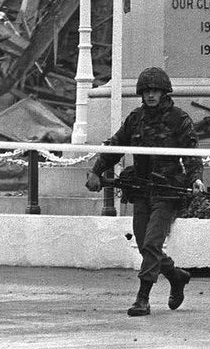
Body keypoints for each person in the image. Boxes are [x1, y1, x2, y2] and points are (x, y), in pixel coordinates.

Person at [86, 67, 203, 316]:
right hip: (141, 189)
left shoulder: (178, 119)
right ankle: (176, 276)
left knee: (152, 243)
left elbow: (192, 153)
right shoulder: (135, 118)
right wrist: (96, 171)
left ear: (164, 92)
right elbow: (116, 145)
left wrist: (196, 179)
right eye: (147, 91)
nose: (150, 95)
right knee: (144, 245)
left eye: (155, 91)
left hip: (167, 191)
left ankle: (143, 298)